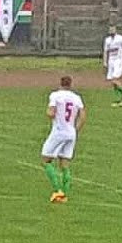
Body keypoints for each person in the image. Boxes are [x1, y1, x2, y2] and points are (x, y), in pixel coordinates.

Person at [41, 75, 86, 204]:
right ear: (70, 85)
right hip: (71, 133)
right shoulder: (76, 98)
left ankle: (57, 190)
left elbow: (51, 113)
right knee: (64, 163)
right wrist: (75, 130)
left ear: (60, 84)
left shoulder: (55, 95)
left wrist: (49, 113)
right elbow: (83, 116)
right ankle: (64, 194)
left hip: (59, 131)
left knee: (46, 159)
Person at [103, 25, 122, 107]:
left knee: (115, 80)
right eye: (110, 29)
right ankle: (120, 99)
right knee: (113, 83)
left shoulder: (120, 38)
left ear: (115, 30)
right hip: (111, 62)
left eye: (113, 29)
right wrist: (105, 62)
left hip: (118, 61)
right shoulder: (107, 40)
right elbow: (105, 51)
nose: (111, 30)